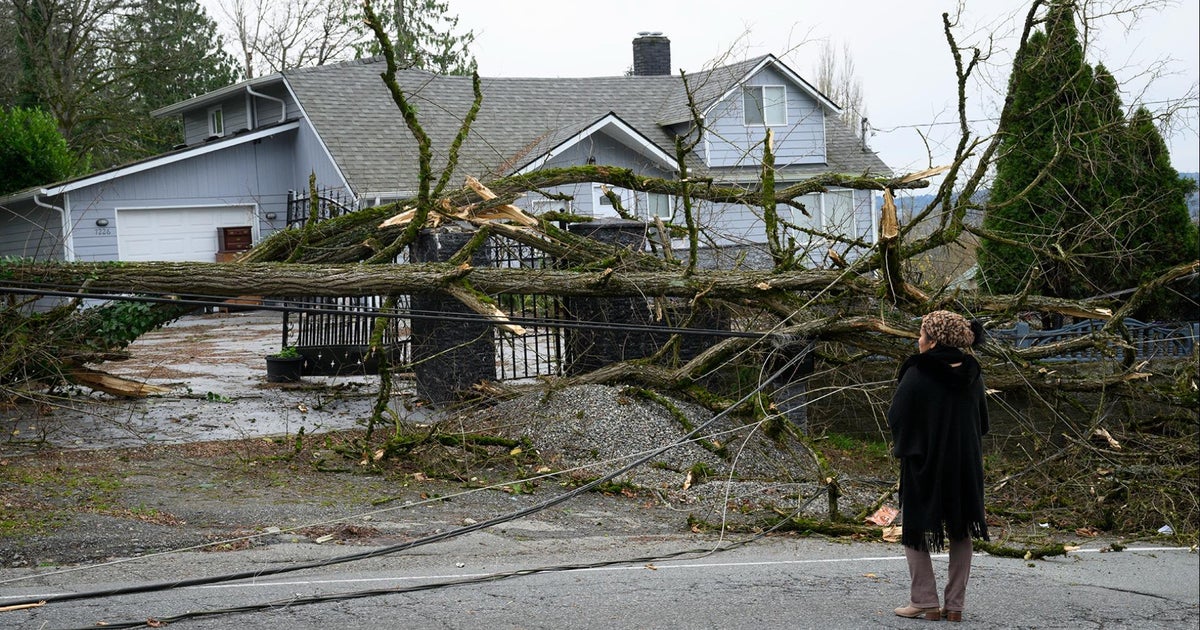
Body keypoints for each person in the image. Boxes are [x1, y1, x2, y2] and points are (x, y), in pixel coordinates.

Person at [888, 310, 989, 622]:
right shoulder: (974, 373)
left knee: (915, 530)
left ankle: (925, 601)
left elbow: (897, 417)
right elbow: (982, 422)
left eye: (921, 335)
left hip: (925, 463)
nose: (918, 341)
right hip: (964, 464)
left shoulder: (918, 372)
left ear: (932, 342)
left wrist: (910, 446)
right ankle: (955, 606)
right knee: (961, 529)